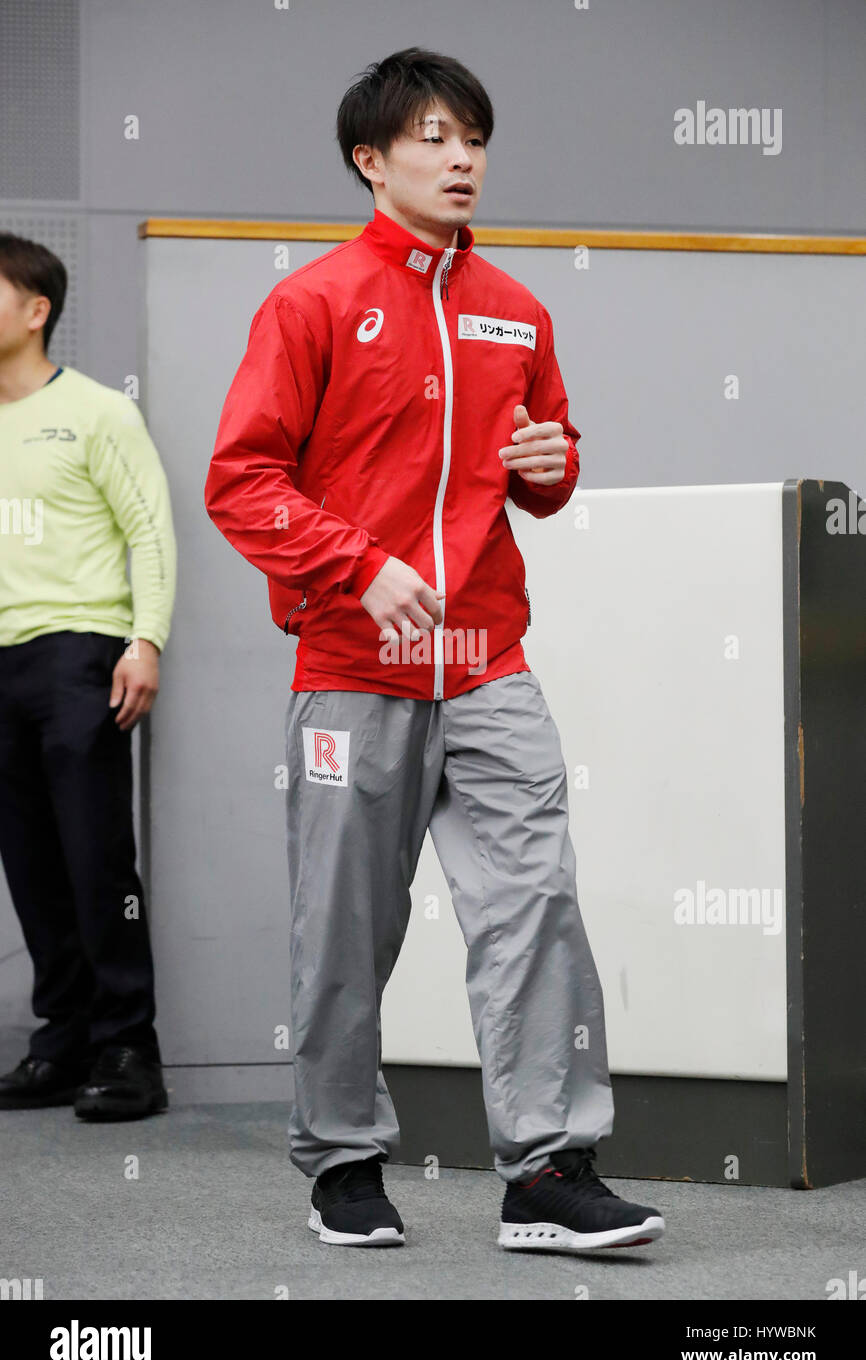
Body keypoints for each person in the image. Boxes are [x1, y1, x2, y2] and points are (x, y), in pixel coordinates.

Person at [205, 47, 664, 1254]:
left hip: (488, 662)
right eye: (431, 136)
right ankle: (345, 1162)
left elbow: (544, 460)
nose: (459, 158)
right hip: (351, 669)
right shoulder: (307, 303)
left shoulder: (516, 305)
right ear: (371, 158)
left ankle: (546, 1169)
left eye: (472, 137)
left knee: (534, 907)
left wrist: (553, 468)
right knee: (347, 927)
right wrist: (357, 563)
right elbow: (238, 482)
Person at [0, 233, 176, 1121]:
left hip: (82, 653)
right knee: (28, 864)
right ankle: (63, 1042)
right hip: (0, 663)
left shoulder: (100, 412)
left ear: (37, 311)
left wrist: (145, 641)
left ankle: (128, 1049)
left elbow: (149, 531)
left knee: (95, 857)